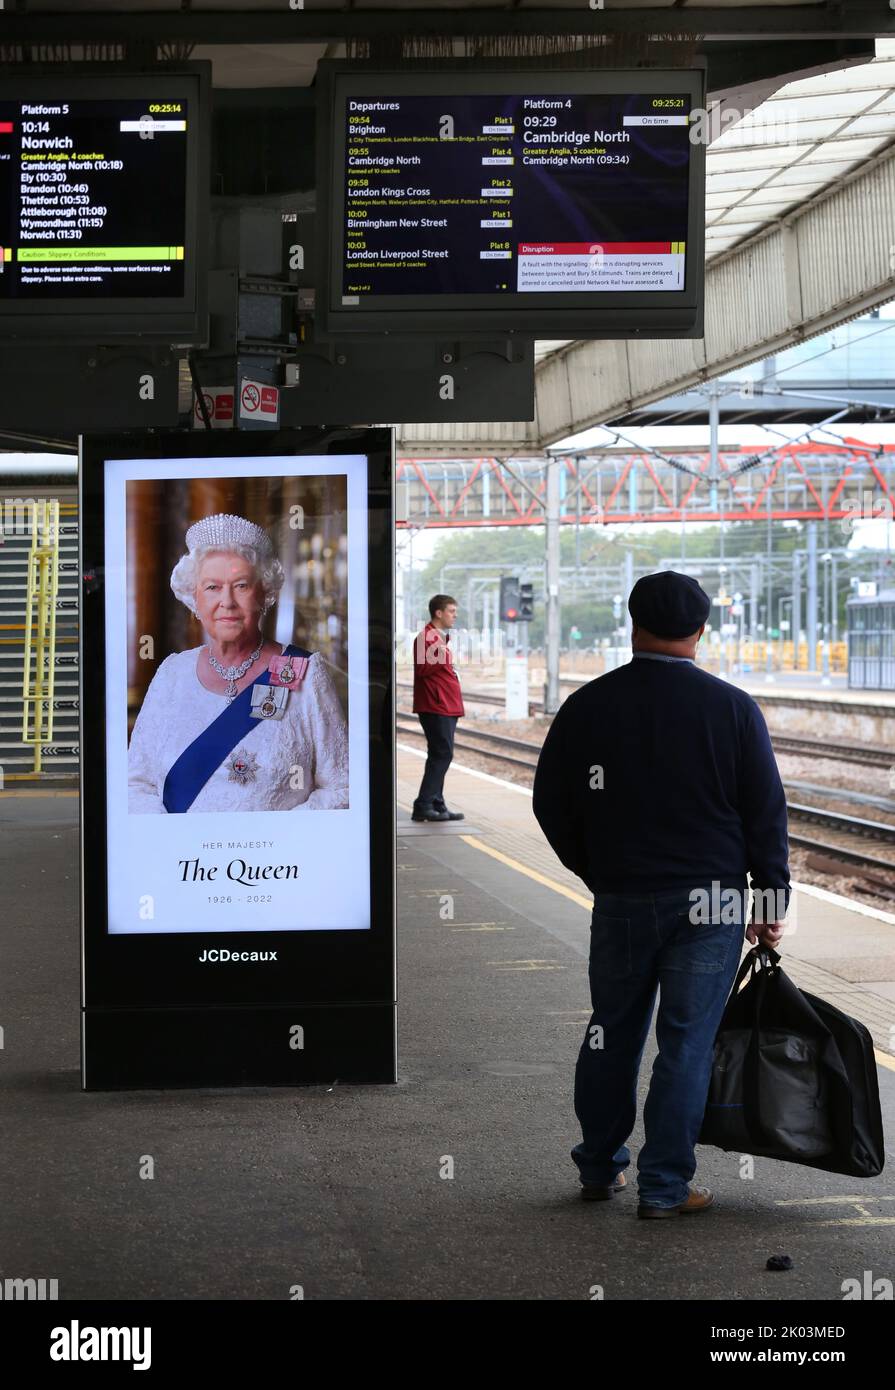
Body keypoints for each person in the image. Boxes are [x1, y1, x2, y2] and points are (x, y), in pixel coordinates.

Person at [532, 570, 790, 1219]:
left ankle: (598, 1167)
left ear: (631, 622)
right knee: (686, 1042)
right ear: (701, 631)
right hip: (715, 900)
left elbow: (549, 804)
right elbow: (764, 816)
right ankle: (664, 1188)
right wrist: (768, 907)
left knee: (610, 1032)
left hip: (624, 895)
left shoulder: (589, 705)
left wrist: (597, 871)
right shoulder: (732, 708)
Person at [127, 512, 349, 813]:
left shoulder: (304, 672)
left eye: (241, 585)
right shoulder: (171, 674)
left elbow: (341, 786)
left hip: (275, 859)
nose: (227, 602)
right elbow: (136, 784)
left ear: (265, 593)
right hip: (187, 860)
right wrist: (171, 842)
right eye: (212, 587)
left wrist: (277, 839)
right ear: (195, 599)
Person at [411, 594, 465, 823]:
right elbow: (423, 670)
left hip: (445, 705)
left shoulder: (439, 638)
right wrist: (441, 653)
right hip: (436, 705)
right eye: (451, 611)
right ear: (439, 613)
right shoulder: (427, 638)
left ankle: (436, 803)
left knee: (439, 754)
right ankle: (422, 805)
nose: (455, 615)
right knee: (442, 754)